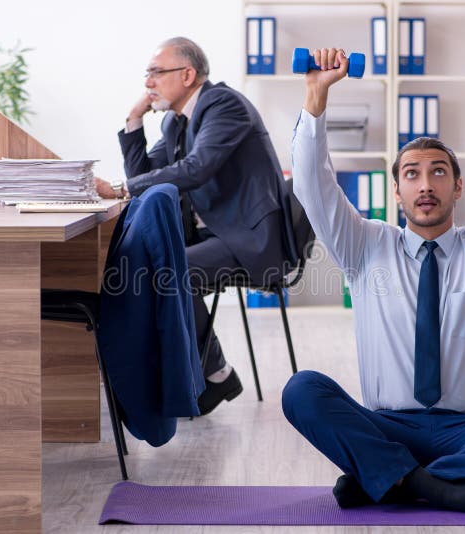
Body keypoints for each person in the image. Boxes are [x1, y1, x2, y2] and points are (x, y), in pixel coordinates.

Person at [282, 44, 465, 518]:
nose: (425, 185)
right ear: (396, 192)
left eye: (438, 173)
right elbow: (312, 186)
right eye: (411, 175)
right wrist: (316, 95)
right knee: (302, 389)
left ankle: (388, 479)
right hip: (386, 425)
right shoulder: (364, 245)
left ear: (458, 187)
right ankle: (446, 489)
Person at [96, 37, 296, 415]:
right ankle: (205, 374)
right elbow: (145, 177)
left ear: (187, 75)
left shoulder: (224, 105)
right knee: (140, 262)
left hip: (248, 238)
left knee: (171, 272)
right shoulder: (177, 120)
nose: (148, 82)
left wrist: (122, 189)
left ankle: (210, 376)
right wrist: (134, 120)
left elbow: (196, 168)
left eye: (156, 72)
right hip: (214, 234)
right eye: (147, 74)